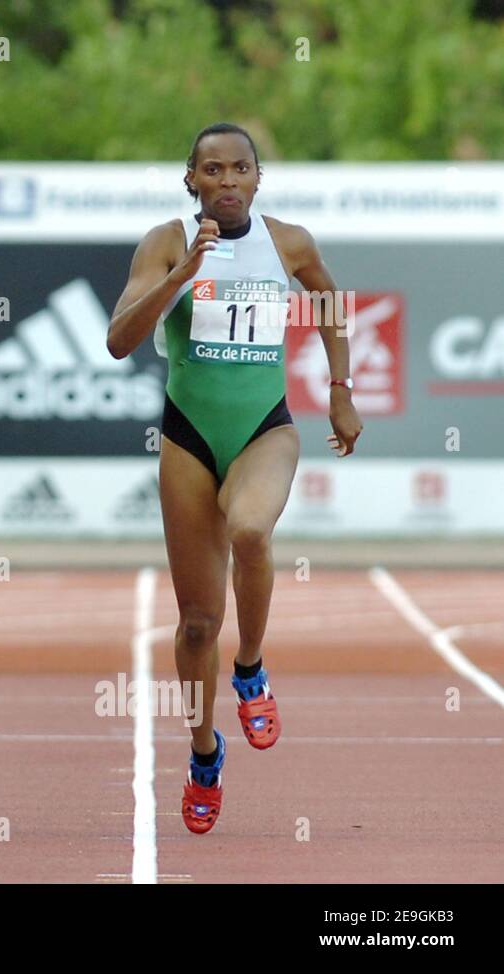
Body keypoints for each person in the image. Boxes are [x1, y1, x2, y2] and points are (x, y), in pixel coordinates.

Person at [107, 122, 363, 833]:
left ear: (256, 179)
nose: (226, 180)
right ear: (191, 179)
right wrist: (184, 274)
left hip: (264, 428)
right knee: (194, 623)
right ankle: (202, 752)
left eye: (239, 168)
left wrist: (341, 387)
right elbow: (119, 340)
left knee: (251, 528)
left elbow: (332, 304)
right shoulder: (164, 242)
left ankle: (250, 666)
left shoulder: (289, 243)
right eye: (211, 169)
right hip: (188, 436)